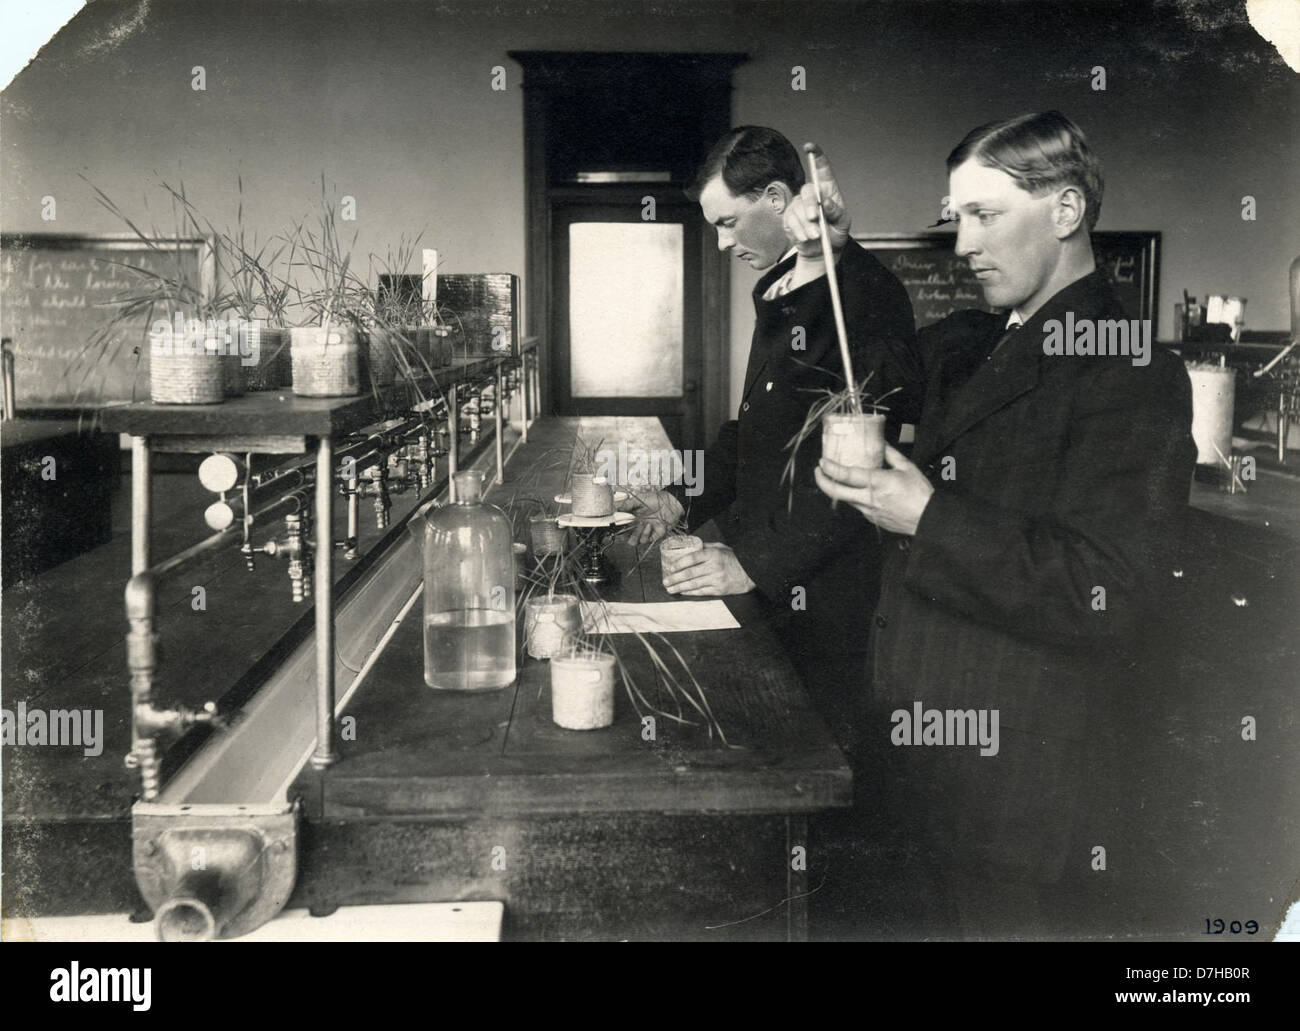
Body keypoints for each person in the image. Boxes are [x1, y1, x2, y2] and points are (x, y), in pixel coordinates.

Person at [814, 111, 1196, 938]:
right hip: (930, 775)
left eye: (985, 216)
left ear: (1065, 212)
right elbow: (866, 352)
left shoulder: (1130, 367)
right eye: (959, 219)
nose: (963, 247)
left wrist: (923, 514)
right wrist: (835, 254)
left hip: (1023, 803)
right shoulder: (974, 338)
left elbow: (1107, 586)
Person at [622, 125, 920, 750]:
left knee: (811, 759)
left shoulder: (863, 295)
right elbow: (754, 430)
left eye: (729, 222)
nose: (723, 243)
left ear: (779, 199)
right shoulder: (781, 290)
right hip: (773, 581)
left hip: (827, 592)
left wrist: (752, 564)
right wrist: (679, 497)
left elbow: (864, 470)